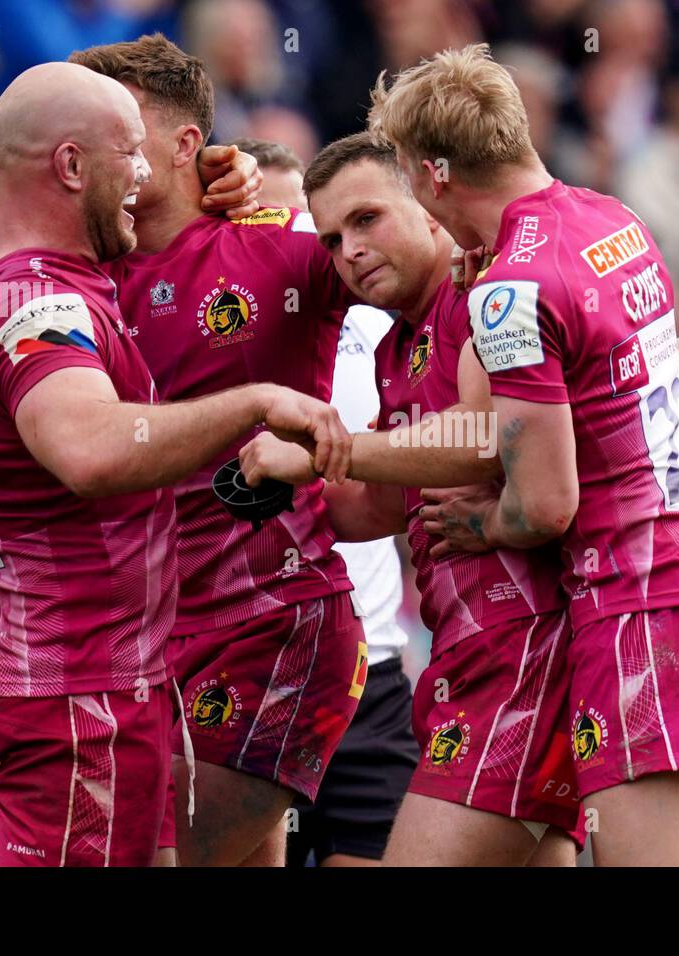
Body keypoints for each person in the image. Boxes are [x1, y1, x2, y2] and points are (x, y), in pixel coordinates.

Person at [0, 61, 348, 867]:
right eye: (128, 153)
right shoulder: (47, 307)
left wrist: (266, 187)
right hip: (79, 688)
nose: (146, 174)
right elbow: (88, 450)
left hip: (68, 670)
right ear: (71, 165)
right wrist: (256, 403)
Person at [370, 44, 679, 866]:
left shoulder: (510, 288)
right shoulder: (609, 216)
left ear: (435, 175)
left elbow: (547, 504)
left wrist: (485, 520)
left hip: (645, 604)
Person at [241, 132, 579, 866]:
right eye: (332, 239)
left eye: (367, 221)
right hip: (472, 658)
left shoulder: (484, 297)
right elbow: (379, 507)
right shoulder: (401, 342)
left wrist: (328, 451)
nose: (348, 252)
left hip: (526, 656)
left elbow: (493, 438)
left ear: (429, 206)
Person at [236, 137, 419, 868]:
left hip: (367, 665)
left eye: (306, 236)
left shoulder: (380, 319)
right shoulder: (201, 332)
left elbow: (451, 454)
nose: (307, 258)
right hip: (242, 662)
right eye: (262, 231)